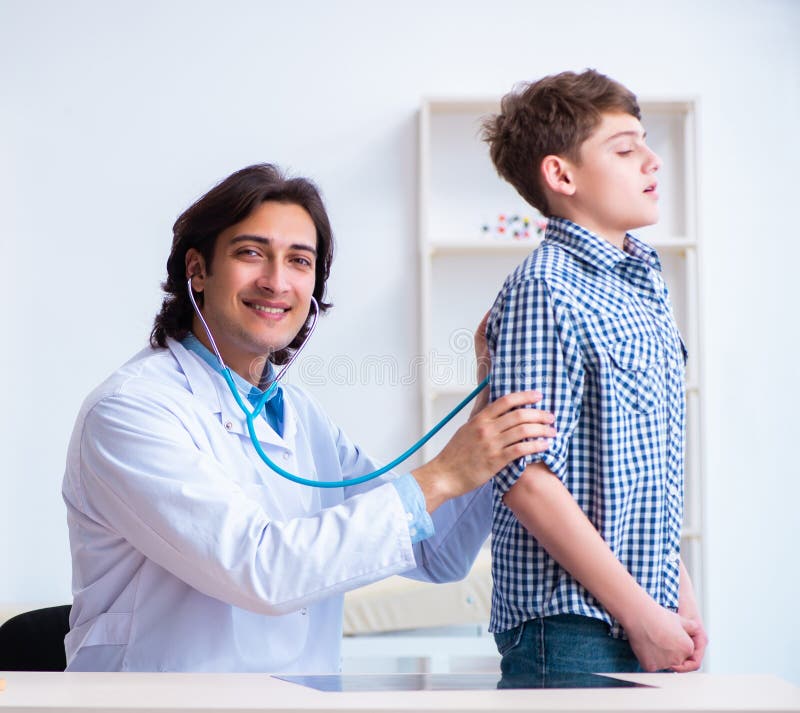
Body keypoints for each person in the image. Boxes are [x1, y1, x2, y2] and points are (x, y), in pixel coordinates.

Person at [61, 163, 556, 672]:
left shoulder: (299, 417)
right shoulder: (131, 411)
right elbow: (260, 570)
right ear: (197, 270)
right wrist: (444, 473)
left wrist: (490, 395)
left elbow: (437, 554)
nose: (277, 281)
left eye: (299, 261)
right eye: (251, 253)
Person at [480, 70, 708, 675]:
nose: (652, 161)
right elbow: (523, 475)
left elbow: (643, 470)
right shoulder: (546, 288)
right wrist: (637, 612)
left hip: (643, 616)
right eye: (626, 148)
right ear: (561, 175)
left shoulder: (644, 286)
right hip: (573, 627)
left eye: (646, 143)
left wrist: (675, 598)